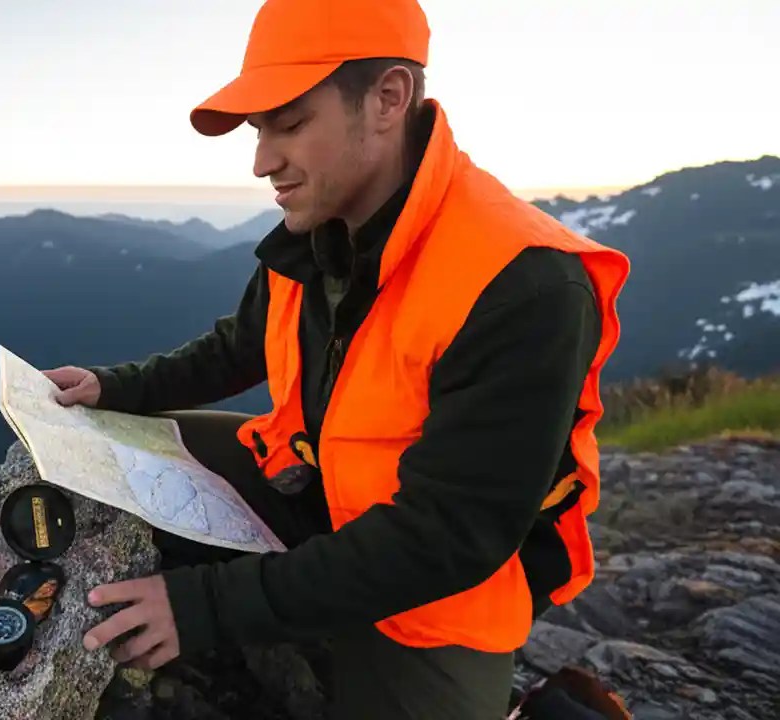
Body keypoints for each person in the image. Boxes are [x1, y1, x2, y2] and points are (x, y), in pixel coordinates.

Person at [43, 0, 631, 717]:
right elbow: (241, 345)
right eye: (260, 130)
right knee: (111, 451)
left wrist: (203, 606)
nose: (263, 162)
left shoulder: (523, 281)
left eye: (289, 124)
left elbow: (448, 536)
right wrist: (112, 388)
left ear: (388, 98)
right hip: (319, 484)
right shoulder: (322, 225)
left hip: (434, 586)